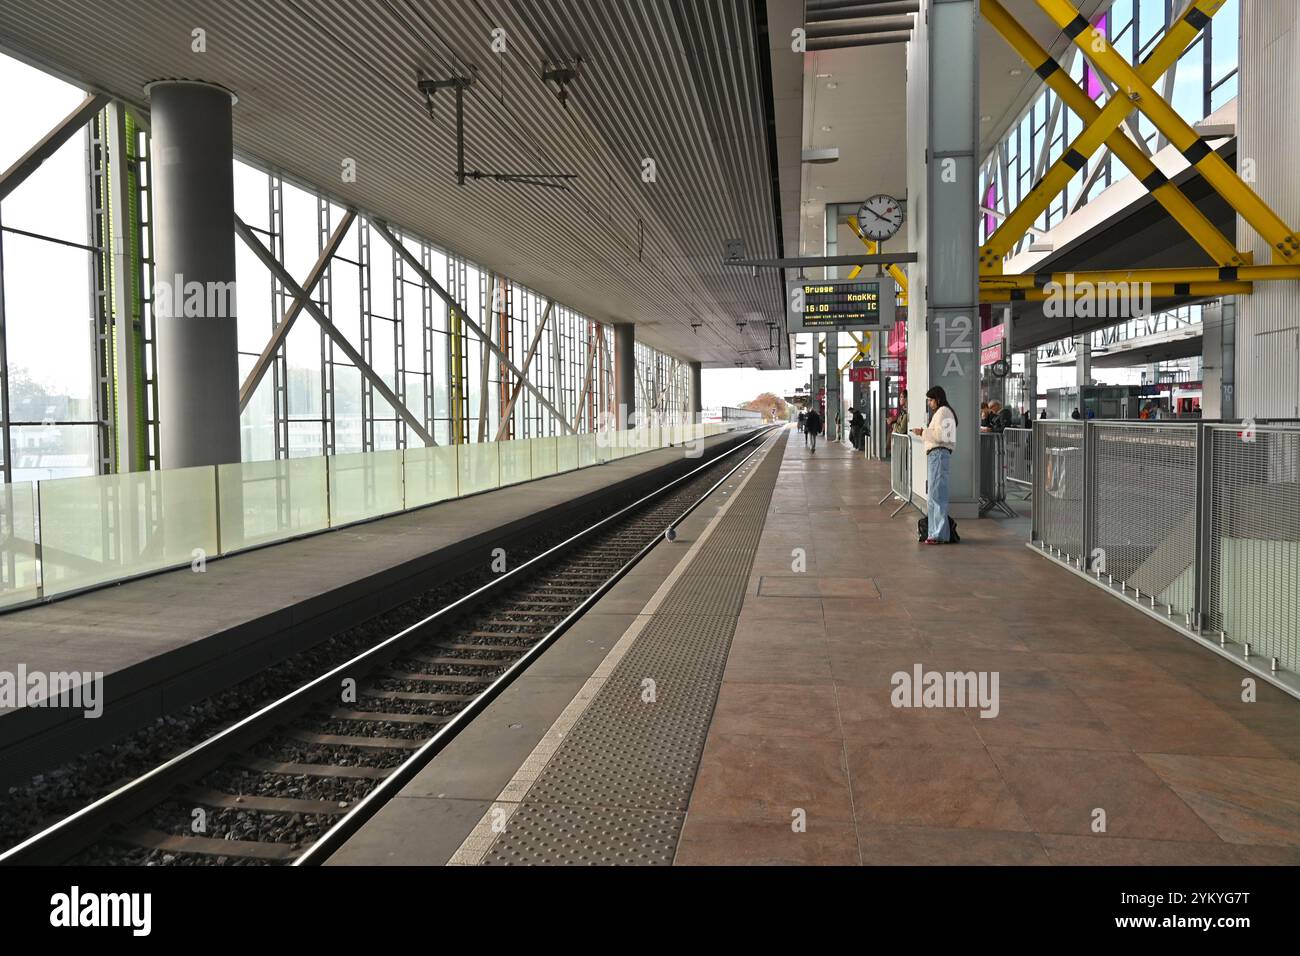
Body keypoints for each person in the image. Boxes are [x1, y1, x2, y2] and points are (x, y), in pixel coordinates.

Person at [912, 386, 957, 544]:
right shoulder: (942, 412)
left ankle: (938, 535)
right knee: (934, 496)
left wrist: (922, 432)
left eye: (931, 400)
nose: (930, 403)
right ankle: (935, 533)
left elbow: (942, 436)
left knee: (937, 496)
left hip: (938, 454)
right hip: (936, 455)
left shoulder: (943, 412)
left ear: (937, 398)